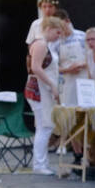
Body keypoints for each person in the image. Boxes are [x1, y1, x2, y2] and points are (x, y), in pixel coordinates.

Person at [26, 16, 62, 176]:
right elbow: (36, 67)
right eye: (57, 32)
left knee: (44, 126)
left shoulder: (43, 44)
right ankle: (39, 164)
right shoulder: (40, 44)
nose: (58, 35)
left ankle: (42, 162)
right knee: (45, 126)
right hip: (39, 91)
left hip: (41, 90)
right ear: (49, 29)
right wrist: (52, 85)